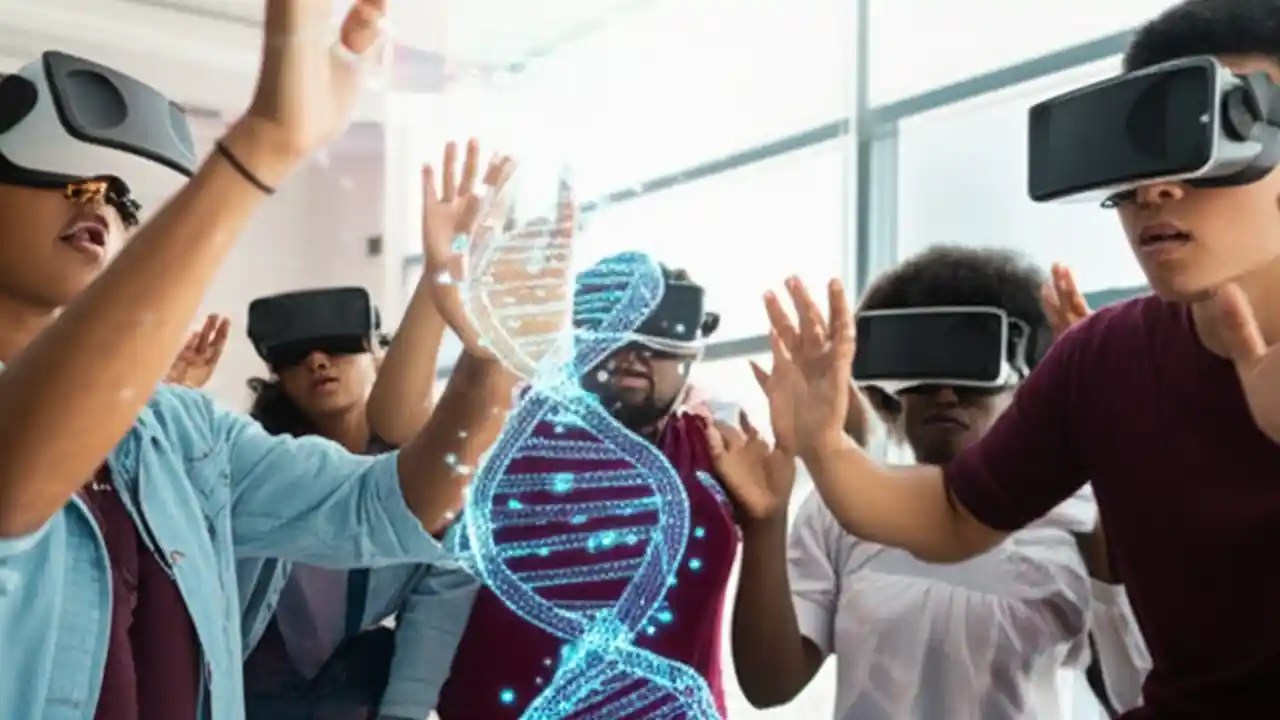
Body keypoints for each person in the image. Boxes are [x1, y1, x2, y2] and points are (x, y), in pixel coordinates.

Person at [0, 2, 541, 717]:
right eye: (70, 180)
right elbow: (16, 482)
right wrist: (260, 149)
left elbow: (396, 504)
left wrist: (488, 358)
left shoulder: (183, 434)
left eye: (124, 199)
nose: (100, 201)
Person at [756, 1, 1280, 716]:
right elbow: (953, 515)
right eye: (1143, 142)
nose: (1159, 187)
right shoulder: (1103, 359)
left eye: (1227, 131)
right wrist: (821, 446)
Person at [732, 246, 1098, 719]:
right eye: (920, 370)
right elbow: (769, 685)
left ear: (1027, 375)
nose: (945, 393)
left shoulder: (1076, 507)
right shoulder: (839, 509)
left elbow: (1138, 679)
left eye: (971, 367)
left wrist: (1102, 421)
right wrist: (766, 522)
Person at [234, 287, 476, 720]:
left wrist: (405, 712)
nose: (318, 362)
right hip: (250, 681)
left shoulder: (434, 479)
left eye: (341, 346)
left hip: (352, 688)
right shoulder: (255, 467)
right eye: (295, 355)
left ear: (380, 355)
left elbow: (440, 597)